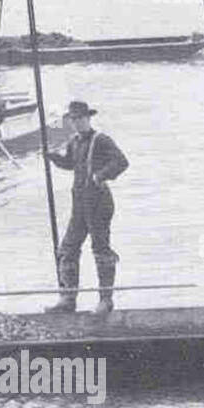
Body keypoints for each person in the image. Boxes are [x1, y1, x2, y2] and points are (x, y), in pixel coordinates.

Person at [44, 101, 129, 314]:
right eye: (73, 119)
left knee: (101, 250)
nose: (77, 122)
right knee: (68, 249)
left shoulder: (101, 140)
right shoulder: (74, 142)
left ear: (88, 118)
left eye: (80, 118)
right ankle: (68, 299)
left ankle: (105, 300)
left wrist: (101, 175)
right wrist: (53, 157)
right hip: (80, 203)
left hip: (99, 202)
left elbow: (121, 162)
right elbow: (70, 164)